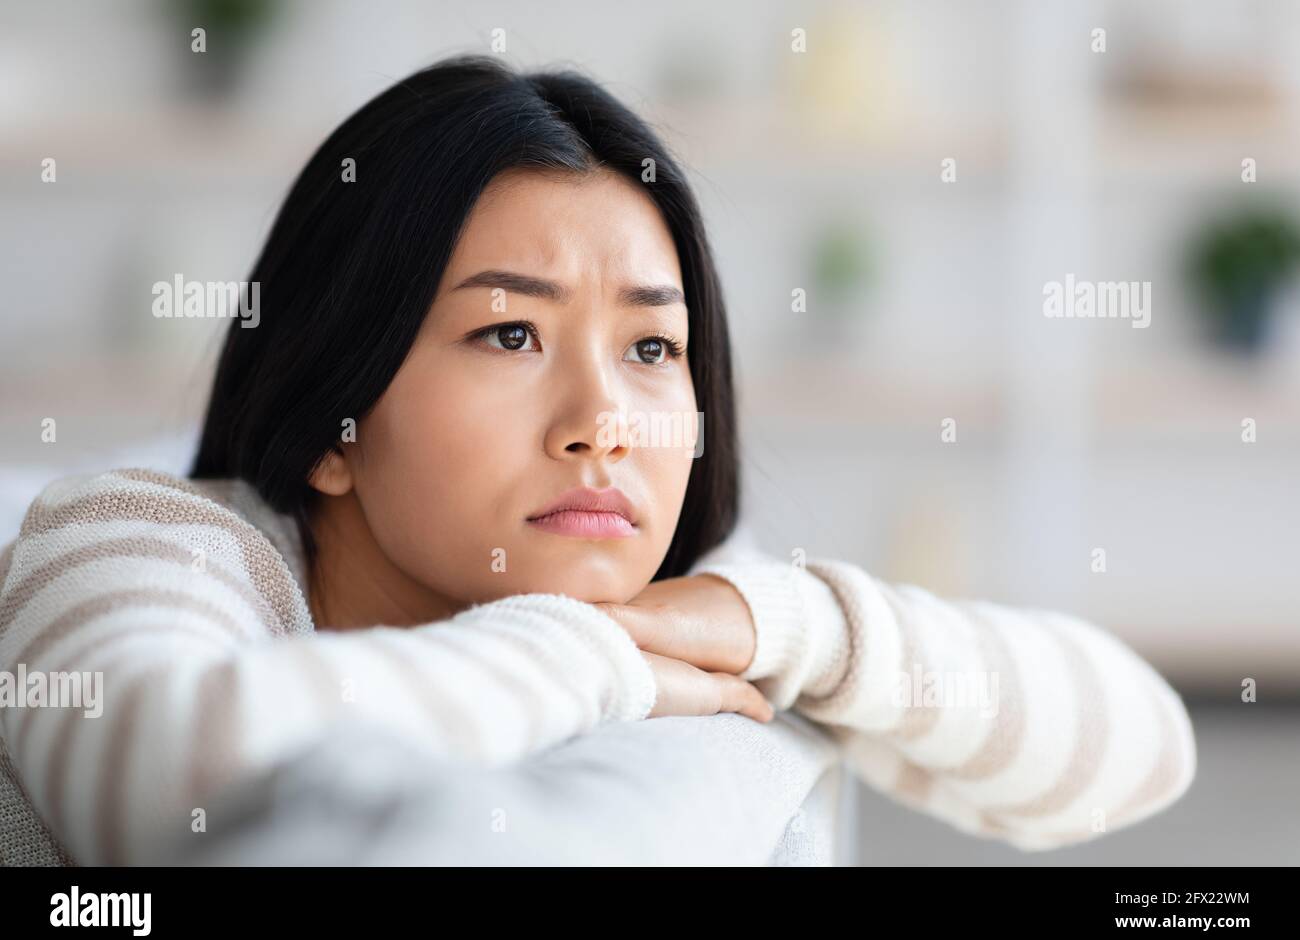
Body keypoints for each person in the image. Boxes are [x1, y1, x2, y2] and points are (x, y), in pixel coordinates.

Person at [0, 54, 1195, 866]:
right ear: (330, 422)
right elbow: (158, 774)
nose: (605, 421)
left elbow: (1143, 741)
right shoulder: (136, 535)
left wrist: (801, 627)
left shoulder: (677, 596)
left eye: (650, 345)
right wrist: (595, 656)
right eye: (509, 332)